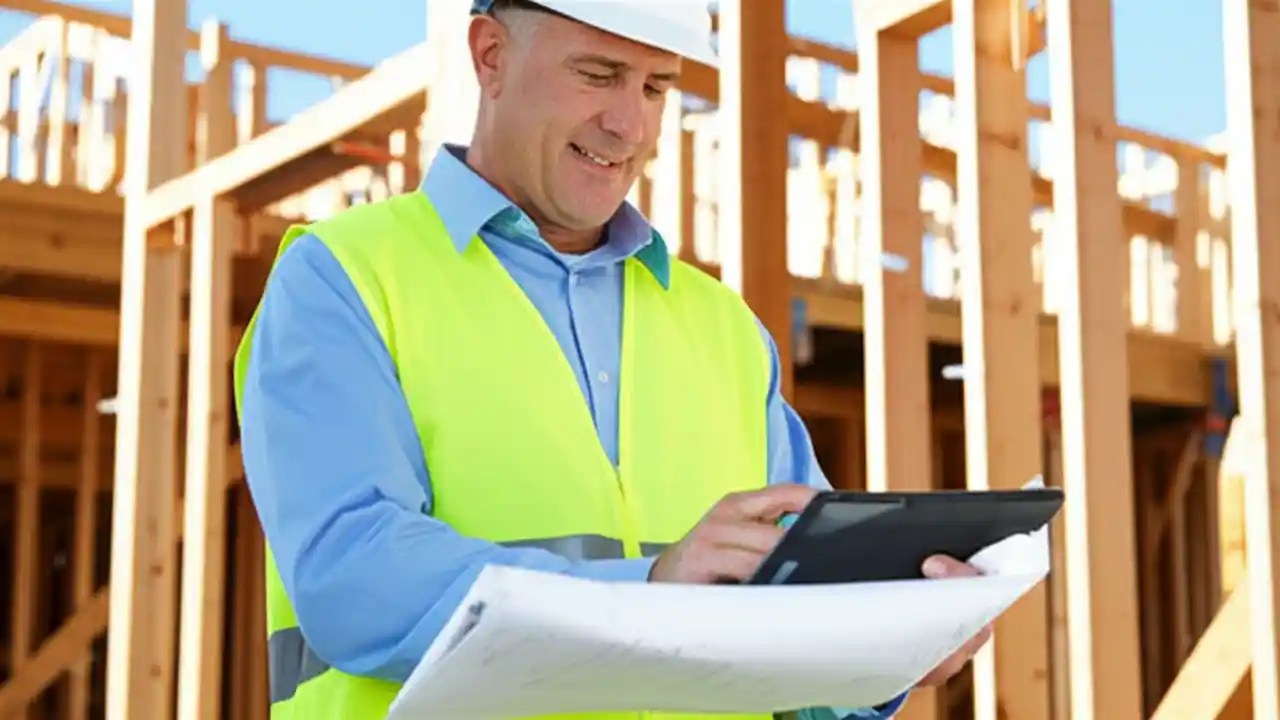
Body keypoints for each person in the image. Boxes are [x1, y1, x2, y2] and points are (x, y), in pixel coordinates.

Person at [233, 0, 991, 718]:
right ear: (490, 55)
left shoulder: (720, 326)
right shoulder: (347, 278)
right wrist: (651, 589)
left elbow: (790, 623)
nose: (629, 123)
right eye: (597, 74)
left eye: (657, 86)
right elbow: (354, 576)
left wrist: (887, 643)